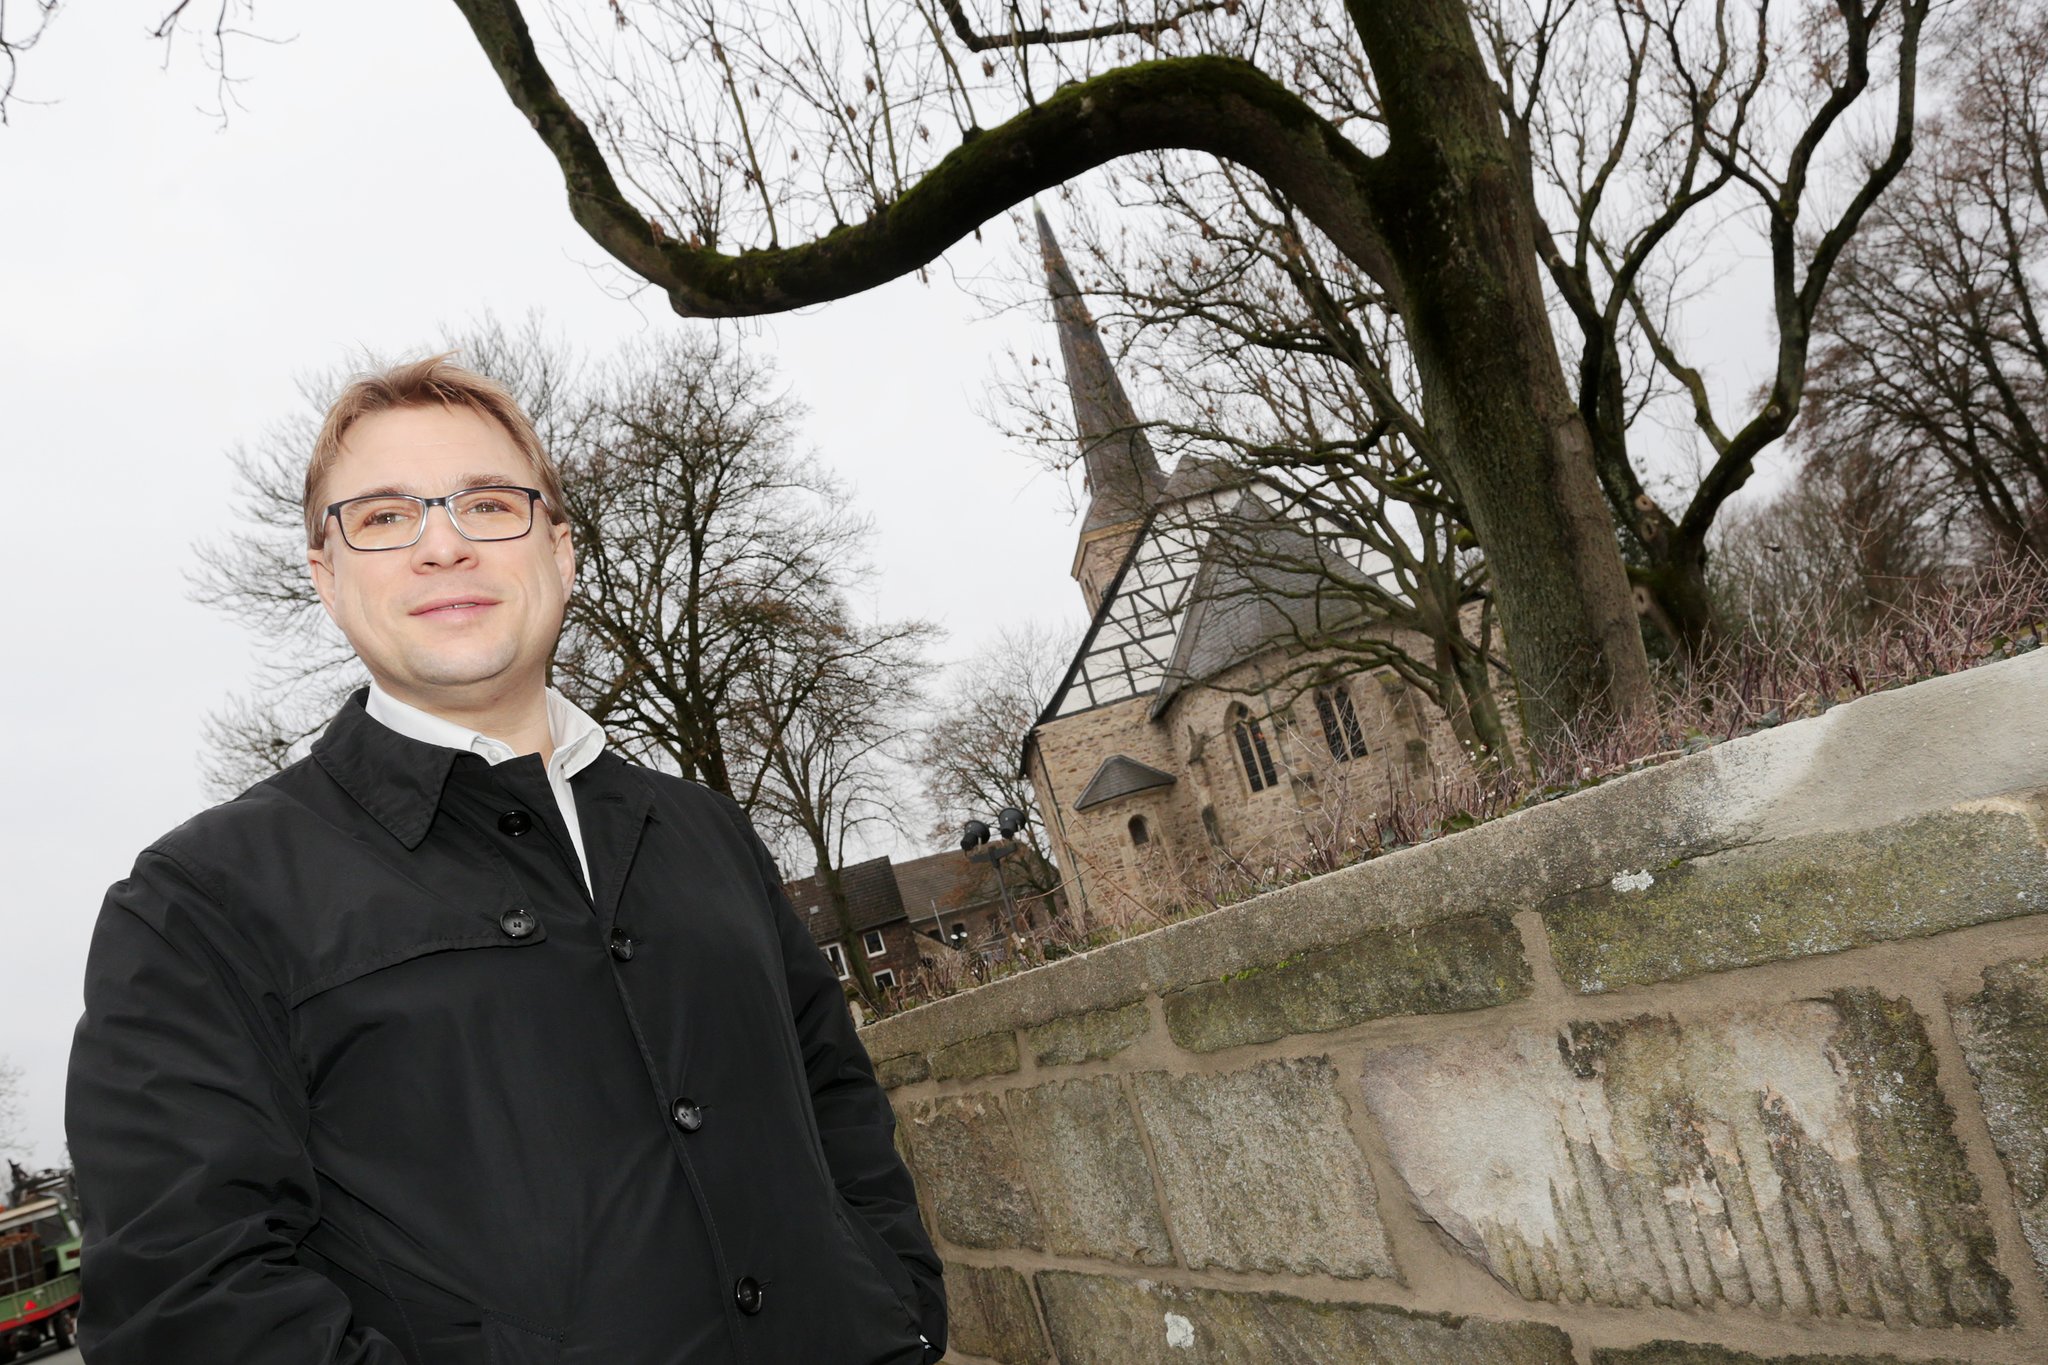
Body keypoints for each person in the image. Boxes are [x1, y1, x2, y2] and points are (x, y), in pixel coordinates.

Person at [65, 357, 946, 1364]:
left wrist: (900, 1309)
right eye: (385, 518)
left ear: (560, 550)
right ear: (326, 575)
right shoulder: (199, 903)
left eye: (488, 504)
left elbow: (835, 1101)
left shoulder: (707, 831)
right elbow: (183, 1303)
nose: (443, 544)